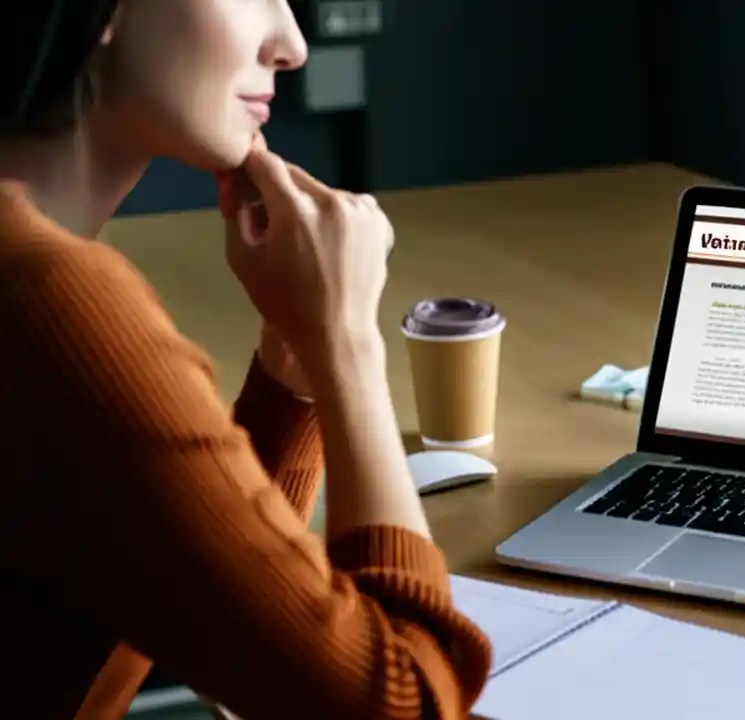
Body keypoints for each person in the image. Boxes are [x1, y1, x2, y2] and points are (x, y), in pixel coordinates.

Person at [0, 2, 491, 718]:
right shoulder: (48, 299)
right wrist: (346, 344)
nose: (291, 45)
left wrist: (293, 379)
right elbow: (404, 704)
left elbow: (163, 596)